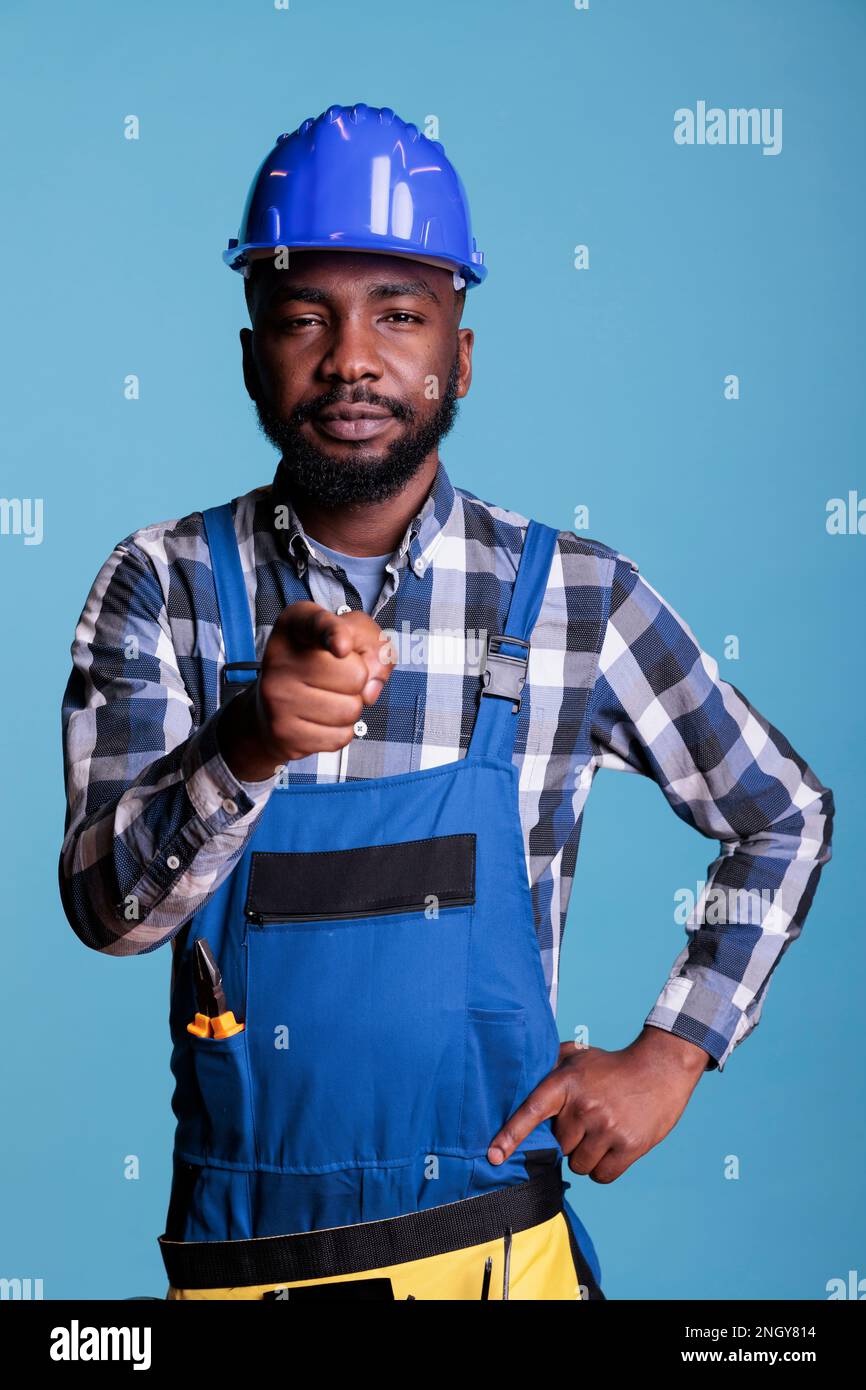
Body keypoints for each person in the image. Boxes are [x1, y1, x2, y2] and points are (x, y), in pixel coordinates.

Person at [58, 103, 835, 1301]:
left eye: (399, 315)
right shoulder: (160, 584)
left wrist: (676, 1051)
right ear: (251, 352)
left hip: (495, 1260)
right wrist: (248, 741)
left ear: (461, 354)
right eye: (304, 317)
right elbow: (110, 913)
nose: (352, 357)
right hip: (240, 1268)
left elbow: (780, 811)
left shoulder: (573, 596)